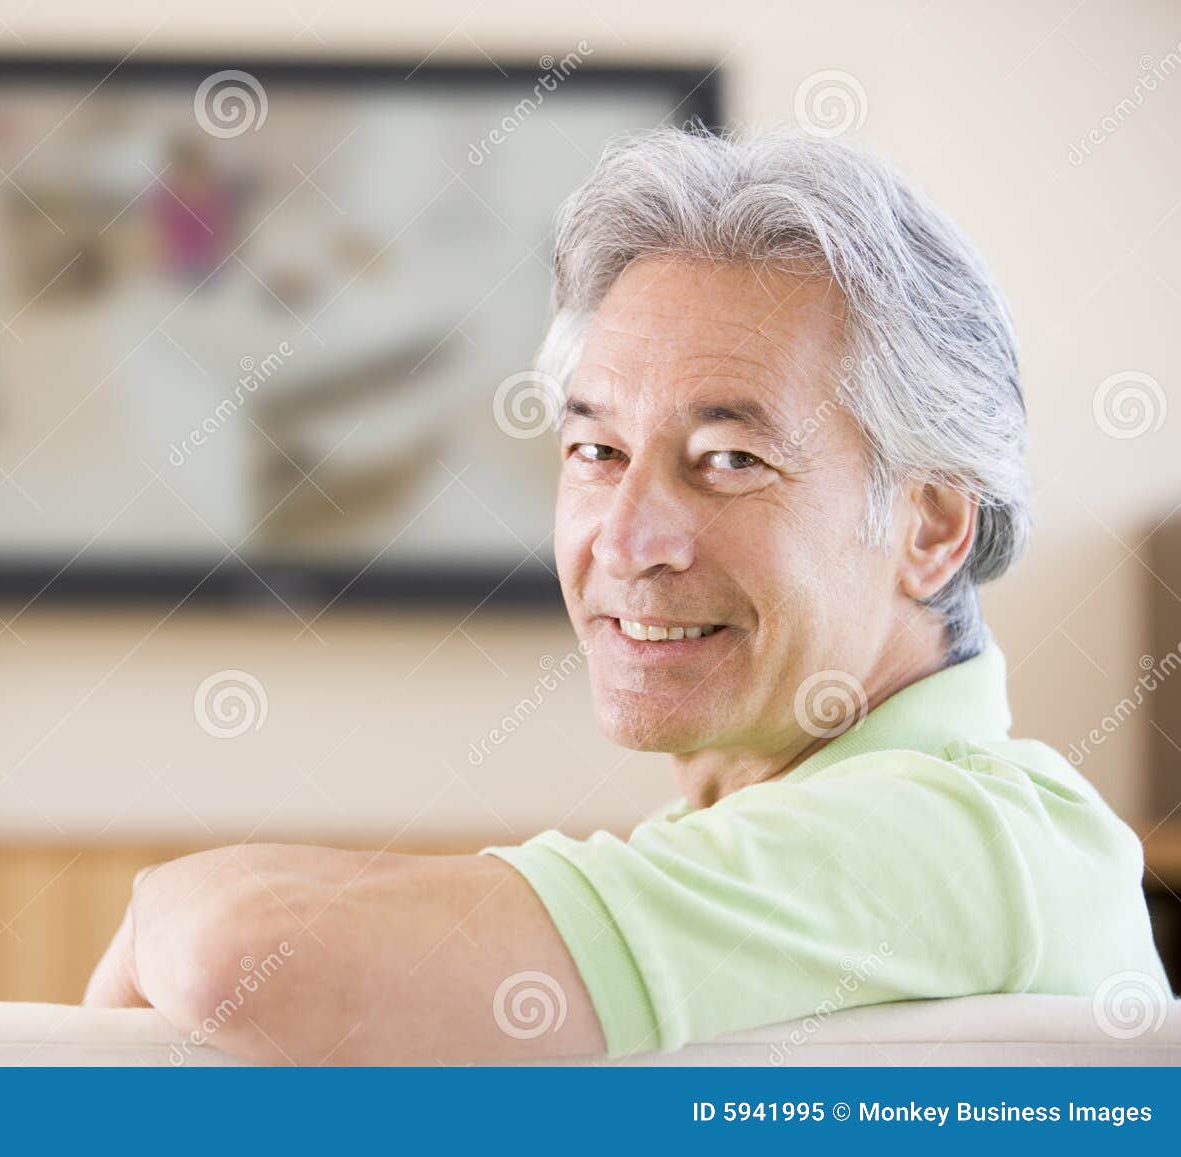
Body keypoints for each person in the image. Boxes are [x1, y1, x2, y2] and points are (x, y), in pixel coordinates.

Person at [82, 128, 1169, 1063]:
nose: (627, 537)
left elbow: (244, 952)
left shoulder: (962, 837)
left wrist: (155, 911)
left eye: (730, 459)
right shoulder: (756, 840)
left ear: (931, 526)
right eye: (596, 448)